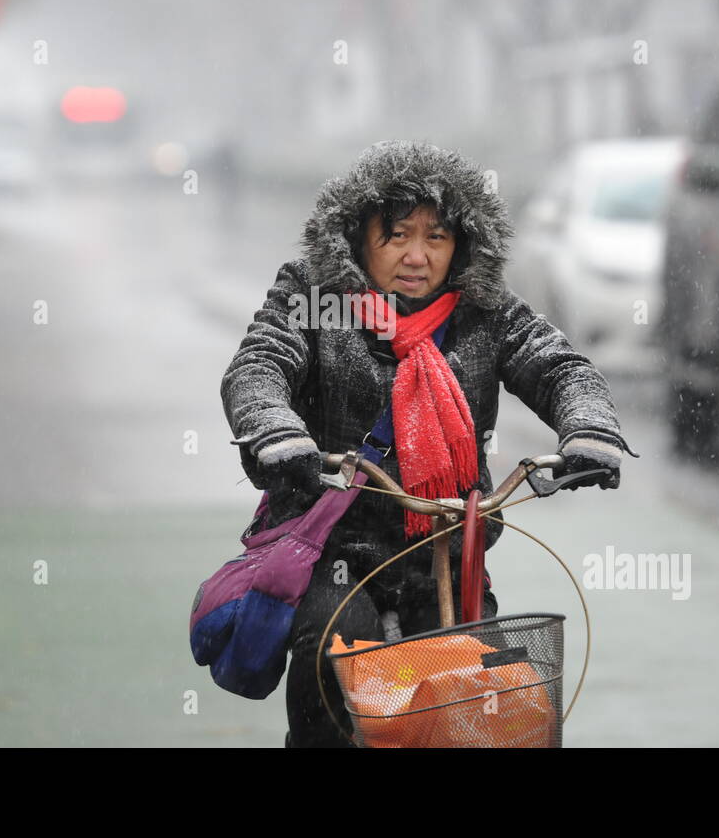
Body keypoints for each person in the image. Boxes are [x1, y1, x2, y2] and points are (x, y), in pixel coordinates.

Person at [220, 140, 635, 747]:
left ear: (460, 245)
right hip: (337, 544)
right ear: (359, 238)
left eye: (435, 238)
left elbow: (559, 368)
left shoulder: (486, 311)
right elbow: (261, 363)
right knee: (330, 648)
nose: (417, 256)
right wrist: (276, 429)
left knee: (474, 703)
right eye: (396, 236)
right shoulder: (313, 297)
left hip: (448, 547)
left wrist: (588, 427)